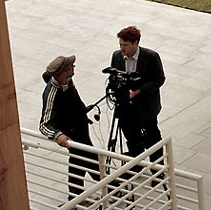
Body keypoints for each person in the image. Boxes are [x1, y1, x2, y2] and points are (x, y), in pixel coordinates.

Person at [40, 55, 98, 202]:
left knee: (78, 161)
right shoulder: (52, 93)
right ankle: (111, 187)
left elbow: (46, 75)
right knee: (91, 159)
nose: (73, 70)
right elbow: (44, 125)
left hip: (80, 127)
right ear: (63, 73)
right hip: (71, 134)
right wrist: (58, 135)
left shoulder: (66, 79)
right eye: (71, 68)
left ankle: (75, 196)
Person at [110, 26, 166, 161]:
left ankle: (157, 171)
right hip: (125, 108)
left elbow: (159, 79)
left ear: (136, 43)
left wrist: (139, 91)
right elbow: (113, 77)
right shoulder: (117, 56)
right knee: (132, 138)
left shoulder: (151, 57)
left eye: (125, 45)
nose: (122, 48)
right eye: (120, 44)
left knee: (153, 139)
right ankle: (136, 163)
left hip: (146, 108)